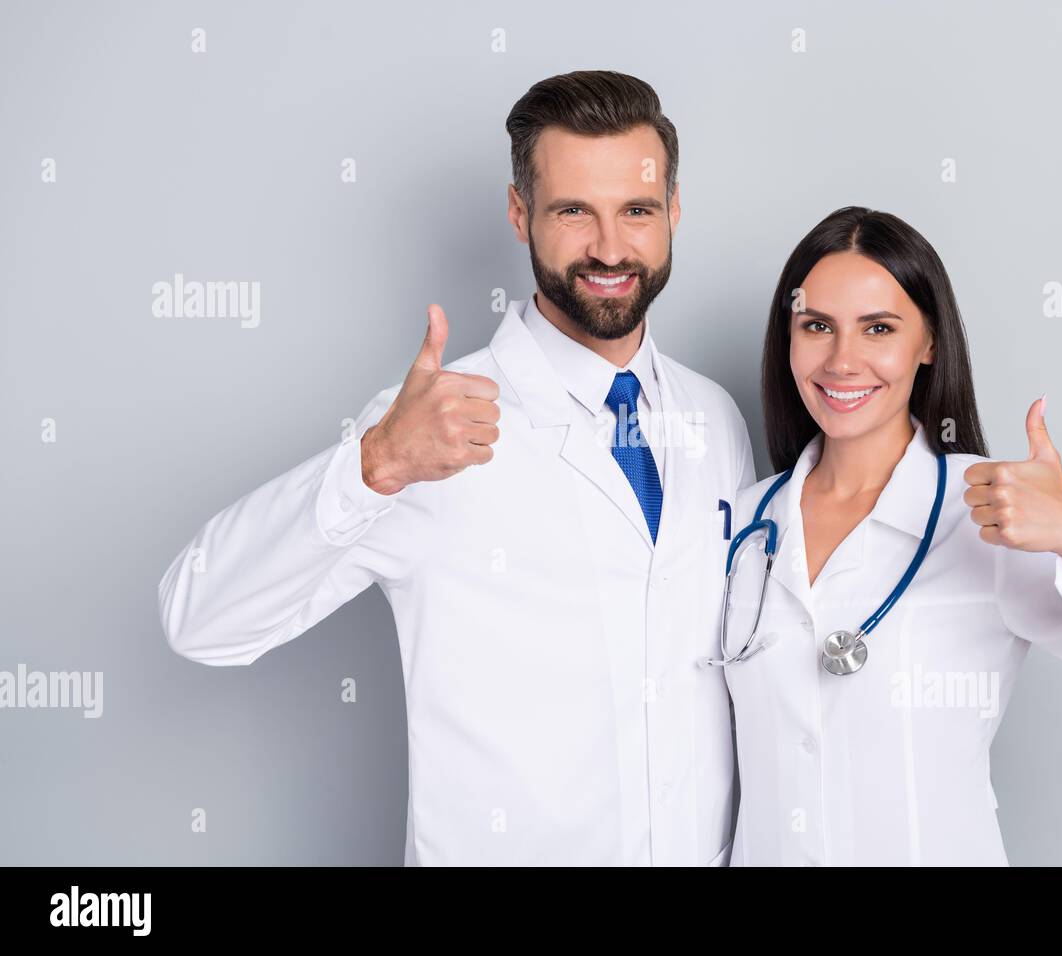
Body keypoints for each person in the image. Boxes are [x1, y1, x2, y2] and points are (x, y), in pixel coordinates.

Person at [157, 71, 754, 866]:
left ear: (673, 211)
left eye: (636, 211)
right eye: (573, 210)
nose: (610, 248)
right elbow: (201, 620)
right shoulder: (424, 430)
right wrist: (374, 464)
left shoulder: (714, 419)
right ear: (519, 214)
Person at [718, 206, 1062, 866]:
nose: (842, 360)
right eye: (817, 326)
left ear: (928, 343)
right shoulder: (741, 526)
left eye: (878, 328)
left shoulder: (989, 513)